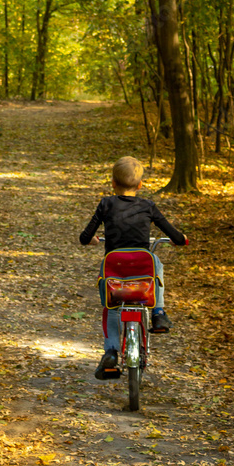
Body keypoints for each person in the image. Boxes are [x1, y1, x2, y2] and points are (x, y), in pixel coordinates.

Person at [79, 156, 188, 380]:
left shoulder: (106, 204)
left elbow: (84, 237)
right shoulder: (148, 206)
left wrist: (92, 240)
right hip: (142, 268)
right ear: (140, 185)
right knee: (156, 262)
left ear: (112, 183)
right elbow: (173, 234)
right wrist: (180, 239)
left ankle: (110, 351)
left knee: (110, 306)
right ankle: (158, 312)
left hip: (115, 268)